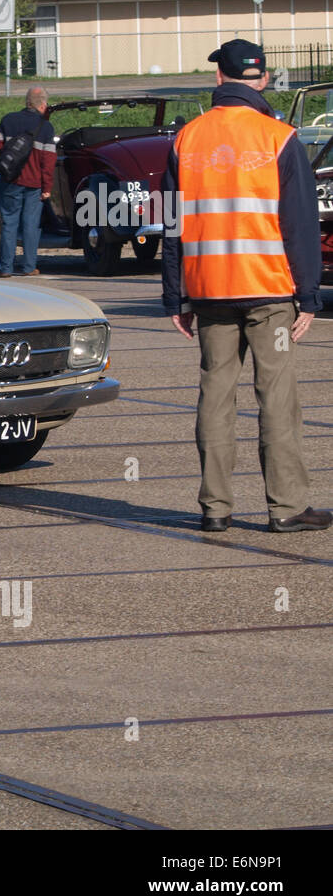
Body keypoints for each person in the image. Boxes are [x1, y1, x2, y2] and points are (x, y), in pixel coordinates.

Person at [162, 38, 329, 534]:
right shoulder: (280, 137)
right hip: (270, 292)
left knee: (216, 393)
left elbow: (170, 224)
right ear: (262, 79)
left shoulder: (186, 138)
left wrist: (176, 294)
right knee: (276, 396)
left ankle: (215, 508)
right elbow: (299, 223)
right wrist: (309, 294)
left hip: (210, 289)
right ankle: (287, 507)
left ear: (219, 78)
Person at [0, 86, 55, 277]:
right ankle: (28, 267)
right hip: (34, 184)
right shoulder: (46, 127)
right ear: (43, 105)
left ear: (27, 103)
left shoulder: (9, 120)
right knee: (30, 225)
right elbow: (48, 161)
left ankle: (5, 268)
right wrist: (47, 187)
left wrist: (11, 150)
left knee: (9, 223)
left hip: (11, 180)